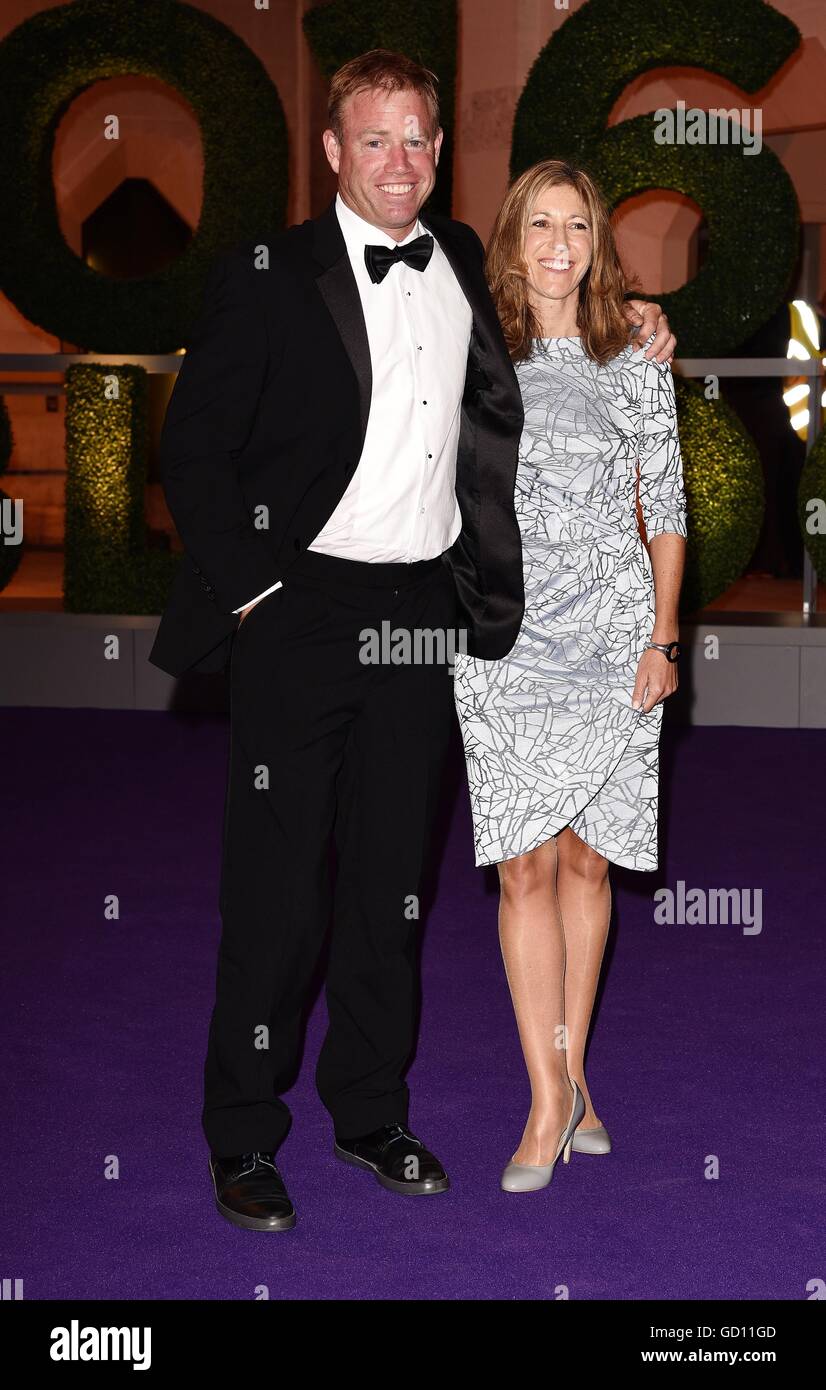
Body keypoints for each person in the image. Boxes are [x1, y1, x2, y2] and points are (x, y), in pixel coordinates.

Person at [149, 52, 674, 1230]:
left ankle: (370, 1110)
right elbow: (194, 452)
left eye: (419, 141)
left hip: (425, 616)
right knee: (280, 891)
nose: (400, 163)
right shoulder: (267, 273)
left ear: (442, 151)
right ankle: (244, 1131)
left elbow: (559, 327)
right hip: (299, 609)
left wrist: (642, 314)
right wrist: (252, 596)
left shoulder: (466, 275)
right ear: (332, 151)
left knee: (392, 883)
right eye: (375, 141)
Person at [453, 159, 687, 1193]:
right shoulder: (473, 353)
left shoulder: (635, 354)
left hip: (612, 639)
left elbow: (667, 507)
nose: (557, 244)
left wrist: (664, 636)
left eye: (578, 226)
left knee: (589, 867)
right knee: (522, 867)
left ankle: (574, 1072)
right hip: (503, 640)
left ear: (598, 243)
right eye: (539, 224)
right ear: (511, 238)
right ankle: (546, 1098)